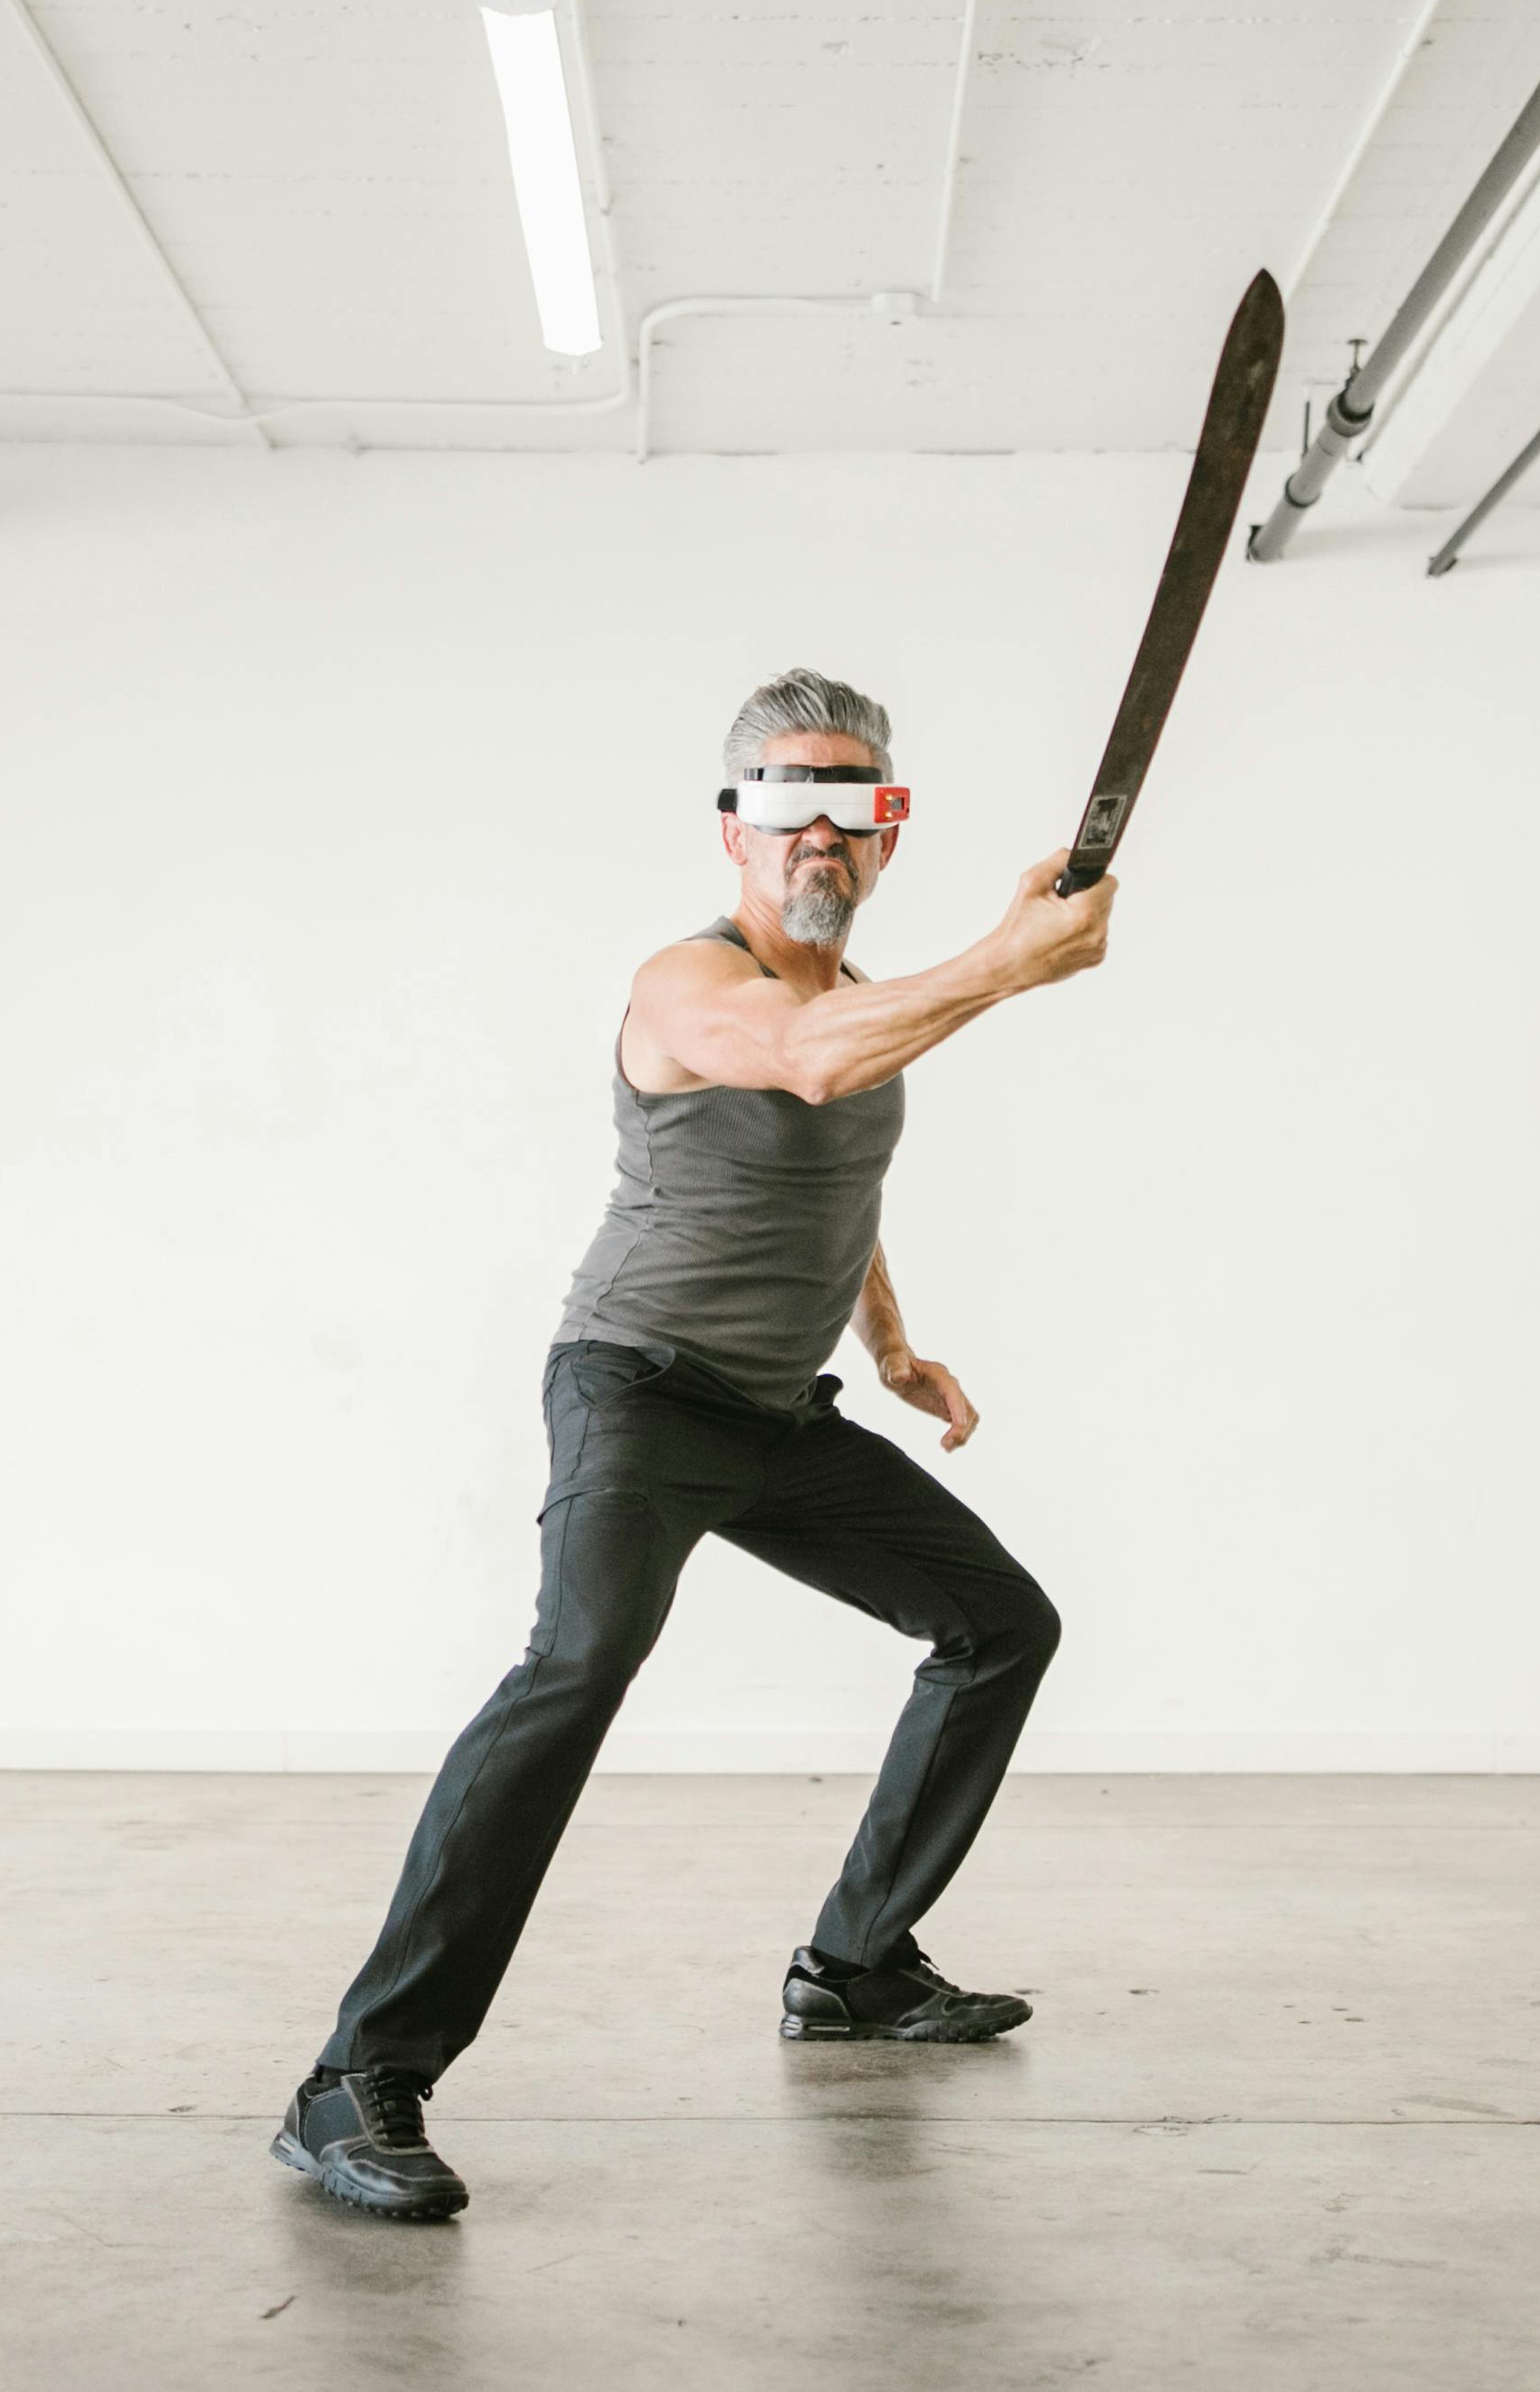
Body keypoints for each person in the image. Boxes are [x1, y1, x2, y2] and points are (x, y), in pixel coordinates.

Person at [276, 668, 1117, 2221]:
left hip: (780, 1416)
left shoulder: (865, 1006)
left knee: (1001, 1625)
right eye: (788, 798)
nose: (821, 829)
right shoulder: (688, 983)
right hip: (639, 1390)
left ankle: (854, 1965)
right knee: (577, 1668)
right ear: (736, 828)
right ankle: (354, 2078)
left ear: (890, 830)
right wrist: (1010, 959)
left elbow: (835, 1169)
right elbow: (803, 1061)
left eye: (852, 801)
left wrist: (892, 1347)